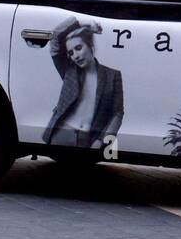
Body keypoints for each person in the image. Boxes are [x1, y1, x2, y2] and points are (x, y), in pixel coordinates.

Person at [41, 16, 124, 150]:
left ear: (90, 45)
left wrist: (102, 140)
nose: (76, 56)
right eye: (71, 53)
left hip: (90, 140)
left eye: (79, 48)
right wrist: (83, 24)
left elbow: (117, 113)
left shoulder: (112, 76)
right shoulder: (69, 71)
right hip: (60, 135)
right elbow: (55, 35)